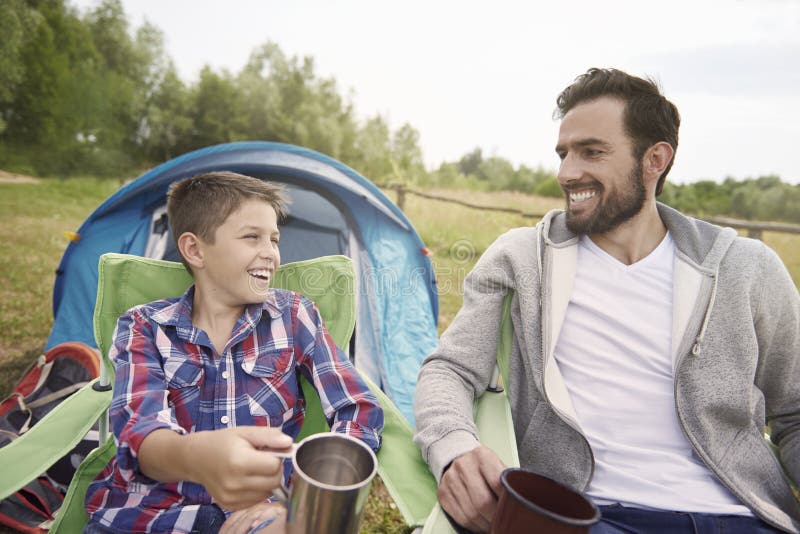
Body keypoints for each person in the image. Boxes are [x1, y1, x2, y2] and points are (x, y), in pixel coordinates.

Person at [413, 68, 800, 533]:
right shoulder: (522, 258)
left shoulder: (746, 269)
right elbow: (450, 369)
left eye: (592, 152)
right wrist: (454, 448)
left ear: (654, 159)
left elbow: (795, 413)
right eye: (564, 154)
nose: (567, 173)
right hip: (585, 516)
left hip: (739, 518)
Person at [84, 171, 384, 534]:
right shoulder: (146, 326)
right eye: (252, 237)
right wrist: (196, 457)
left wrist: (304, 501)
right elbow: (139, 436)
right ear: (195, 250)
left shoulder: (293, 316)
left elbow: (357, 407)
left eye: (274, 239)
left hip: (259, 513)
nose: (270, 253)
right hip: (149, 514)